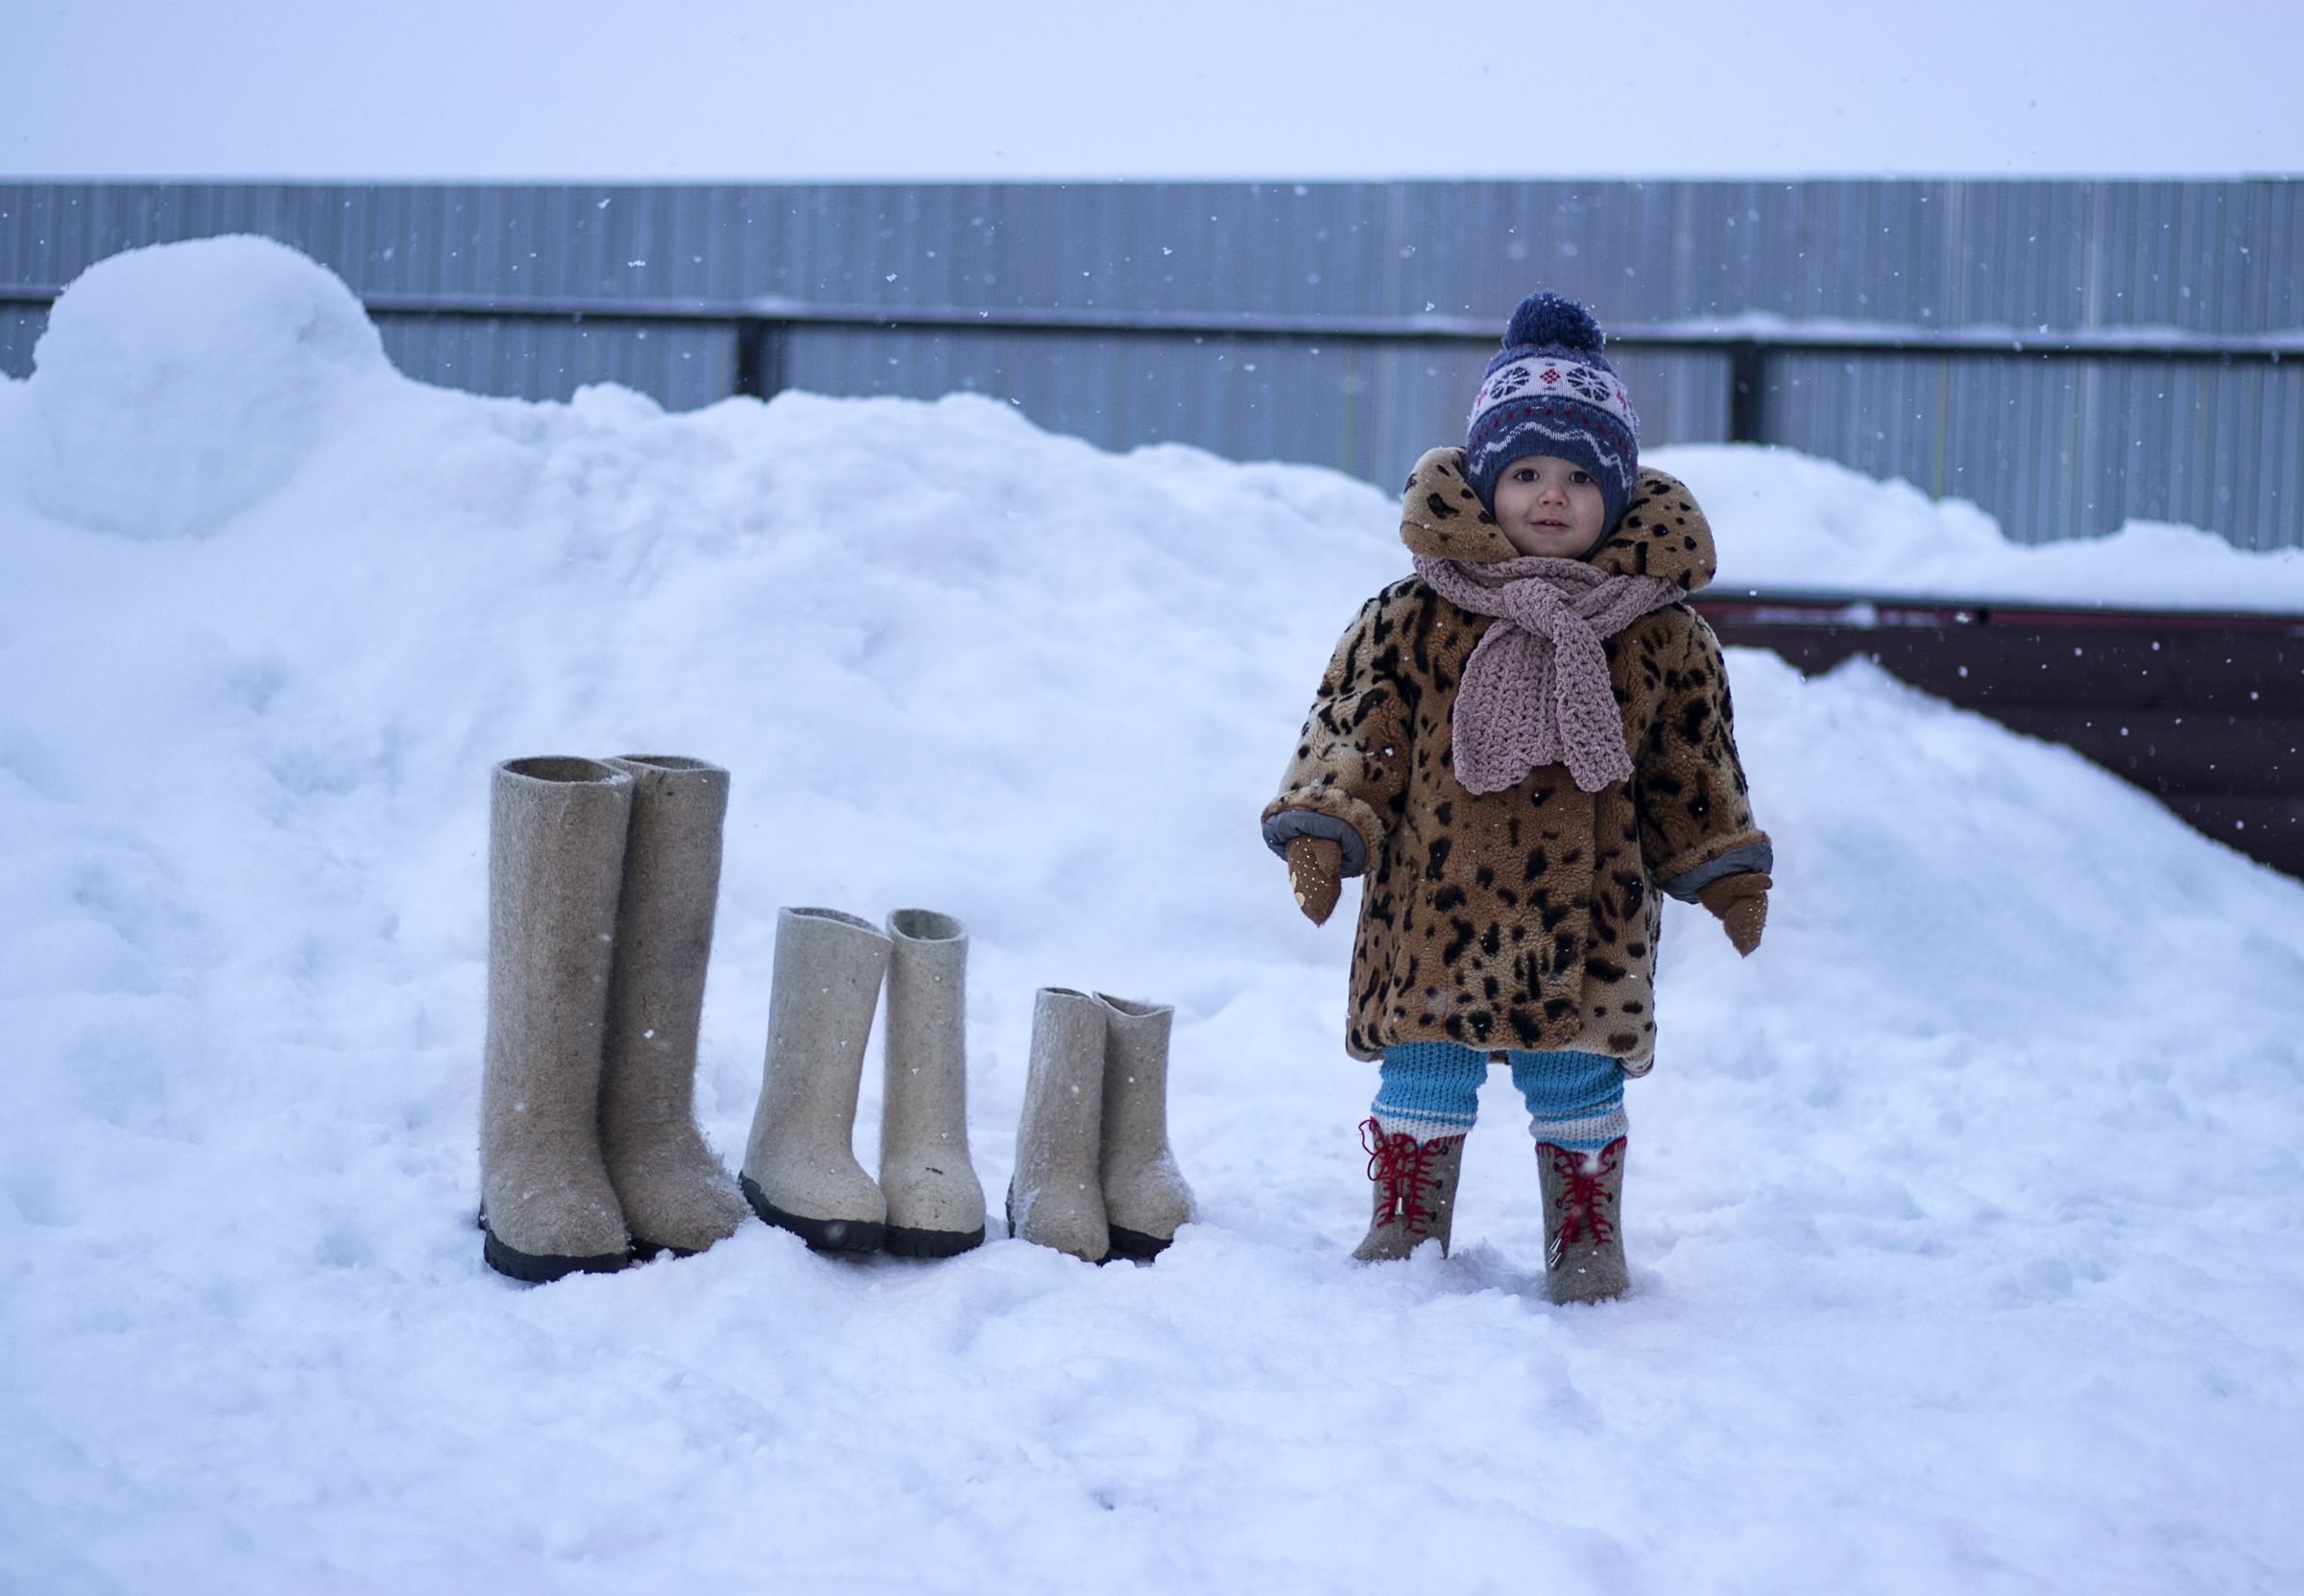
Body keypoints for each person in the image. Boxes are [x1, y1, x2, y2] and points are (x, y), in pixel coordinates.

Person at [1260, 292, 1773, 1303]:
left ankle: (1585, 1230)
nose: (1551, 495)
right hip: (1431, 899)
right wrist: (1324, 822)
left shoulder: (1661, 632)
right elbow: (1356, 719)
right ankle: (1408, 1215)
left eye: (1581, 476)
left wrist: (1723, 865)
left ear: (1619, 492)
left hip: (1590, 913)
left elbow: (1692, 758)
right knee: (1425, 1063)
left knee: (1580, 1072)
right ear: (1487, 480)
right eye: (1527, 472)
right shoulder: (1416, 610)